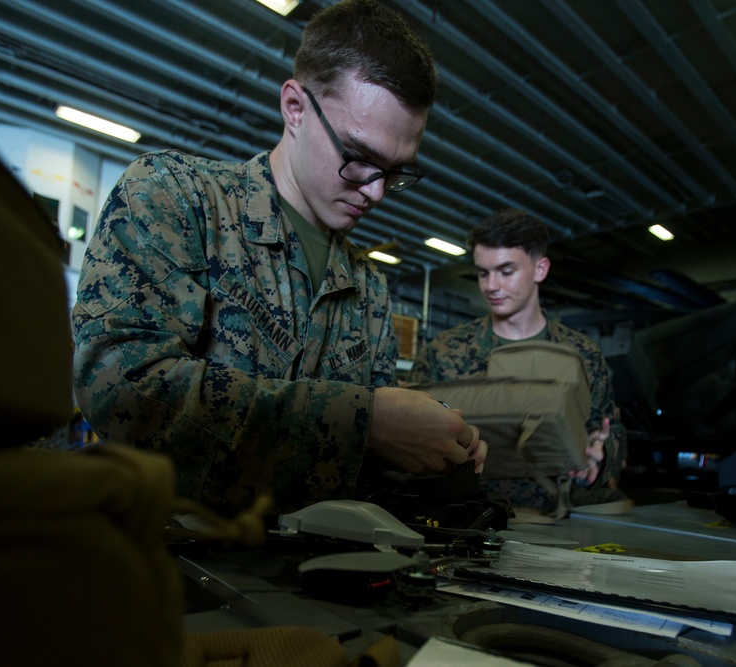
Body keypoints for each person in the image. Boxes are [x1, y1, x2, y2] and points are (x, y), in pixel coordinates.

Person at [71, 0, 486, 519]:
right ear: (295, 108)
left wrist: (437, 445)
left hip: (305, 579)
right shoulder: (176, 198)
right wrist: (366, 421)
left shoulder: (369, 289)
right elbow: (122, 394)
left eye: (397, 172)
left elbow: (359, 470)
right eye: (359, 158)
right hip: (161, 561)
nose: (377, 192)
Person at [409, 209, 630, 516]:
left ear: (540, 269)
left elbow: (608, 433)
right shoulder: (444, 352)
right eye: (483, 273)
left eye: (506, 271)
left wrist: (600, 455)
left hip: (554, 518)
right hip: (466, 519)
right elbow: (415, 440)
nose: (491, 286)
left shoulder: (581, 355)